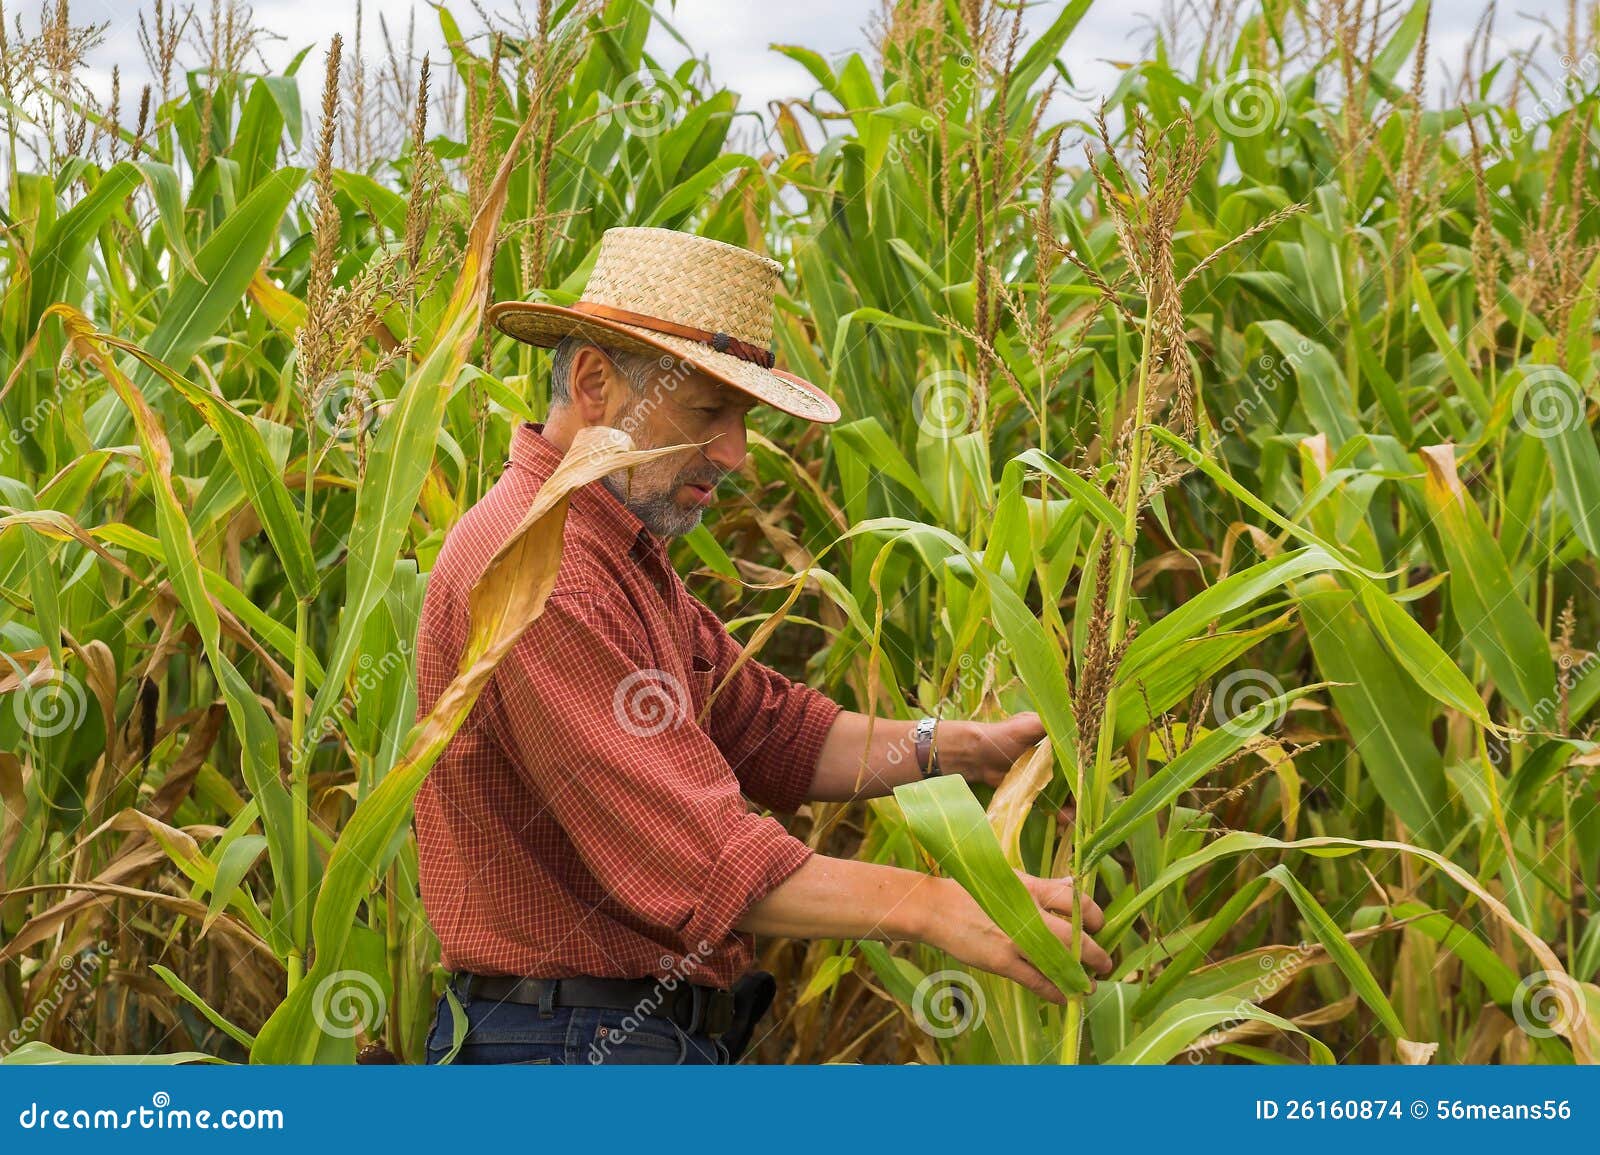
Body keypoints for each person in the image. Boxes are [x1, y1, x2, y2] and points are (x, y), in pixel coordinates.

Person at [413, 226, 1110, 1066]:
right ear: (595, 382)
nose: (734, 453)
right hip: (568, 1048)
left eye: (740, 418)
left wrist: (966, 747)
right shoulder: (545, 573)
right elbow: (704, 857)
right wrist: (943, 907)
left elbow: (772, 730)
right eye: (709, 411)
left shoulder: (614, 551)